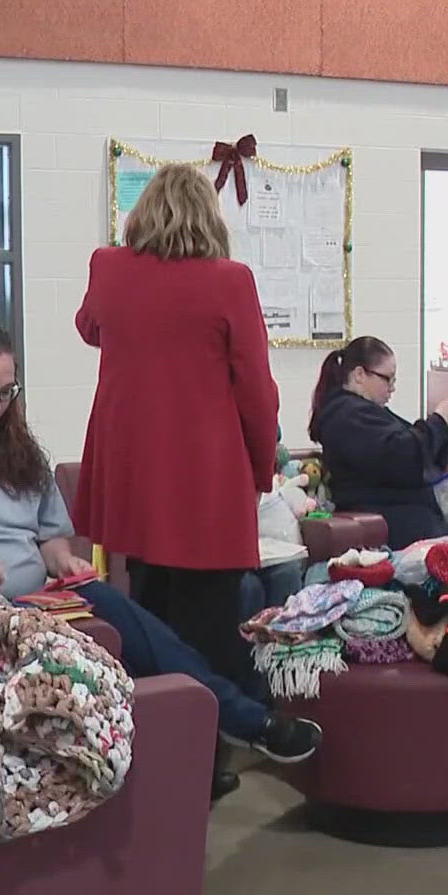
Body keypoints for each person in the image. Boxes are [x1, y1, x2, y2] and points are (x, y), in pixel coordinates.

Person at [0, 314, 319, 802]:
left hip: (44, 593)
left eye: (5, 393)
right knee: (131, 636)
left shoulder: (16, 448)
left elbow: (50, 535)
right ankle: (248, 724)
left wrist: (63, 558)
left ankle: (236, 724)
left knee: (148, 631)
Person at [72, 162, 281, 709]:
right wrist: (262, 470)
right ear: (209, 219)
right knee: (208, 626)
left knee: (149, 617)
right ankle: (210, 756)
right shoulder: (230, 281)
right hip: (206, 479)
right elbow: (257, 391)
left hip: (135, 476)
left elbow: (88, 326)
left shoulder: (108, 267)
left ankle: (164, 745)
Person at [309, 336, 448, 547]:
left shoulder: (364, 411)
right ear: (360, 375)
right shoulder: (346, 415)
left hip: (406, 512)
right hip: (387, 515)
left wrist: (440, 428)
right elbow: (399, 454)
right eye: (388, 379)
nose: (392, 388)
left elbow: (409, 441)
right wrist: (439, 421)